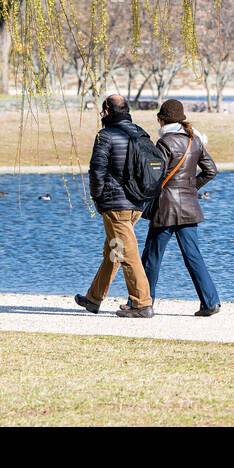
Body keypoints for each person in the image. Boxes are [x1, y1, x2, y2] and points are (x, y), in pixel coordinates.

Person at [132, 98, 222, 317]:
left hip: (165, 207)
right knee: (193, 255)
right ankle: (210, 302)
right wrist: (190, 187)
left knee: (152, 255)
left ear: (162, 120)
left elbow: (155, 175)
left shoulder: (164, 143)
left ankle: (143, 304)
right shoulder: (195, 140)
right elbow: (211, 171)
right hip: (190, 206)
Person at [75, 94, 154, 318]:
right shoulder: (140, 132)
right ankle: (93, 298)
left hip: (115, 204)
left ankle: (142, 304)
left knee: (127, 252)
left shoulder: (105, 136)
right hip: (137, 203)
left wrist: (96, 197)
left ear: (107, 111)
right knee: (114, 250)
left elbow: (97, 170)